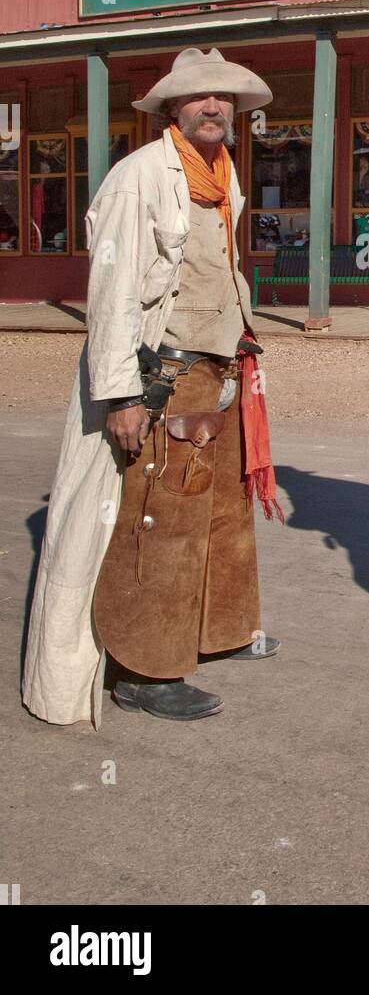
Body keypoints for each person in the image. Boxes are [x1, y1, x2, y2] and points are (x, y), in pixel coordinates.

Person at [23, 47, 284, 728]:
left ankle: (213, 631)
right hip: (163, 371)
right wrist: (121, 394)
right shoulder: (140, 179)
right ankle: (145, 668)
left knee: (218, 514)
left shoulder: (222, 174)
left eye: (223, 98)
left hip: (218, 365)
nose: (212, 106)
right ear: (172, 108)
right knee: (160, 519)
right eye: (198, 97)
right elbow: (110, 293)